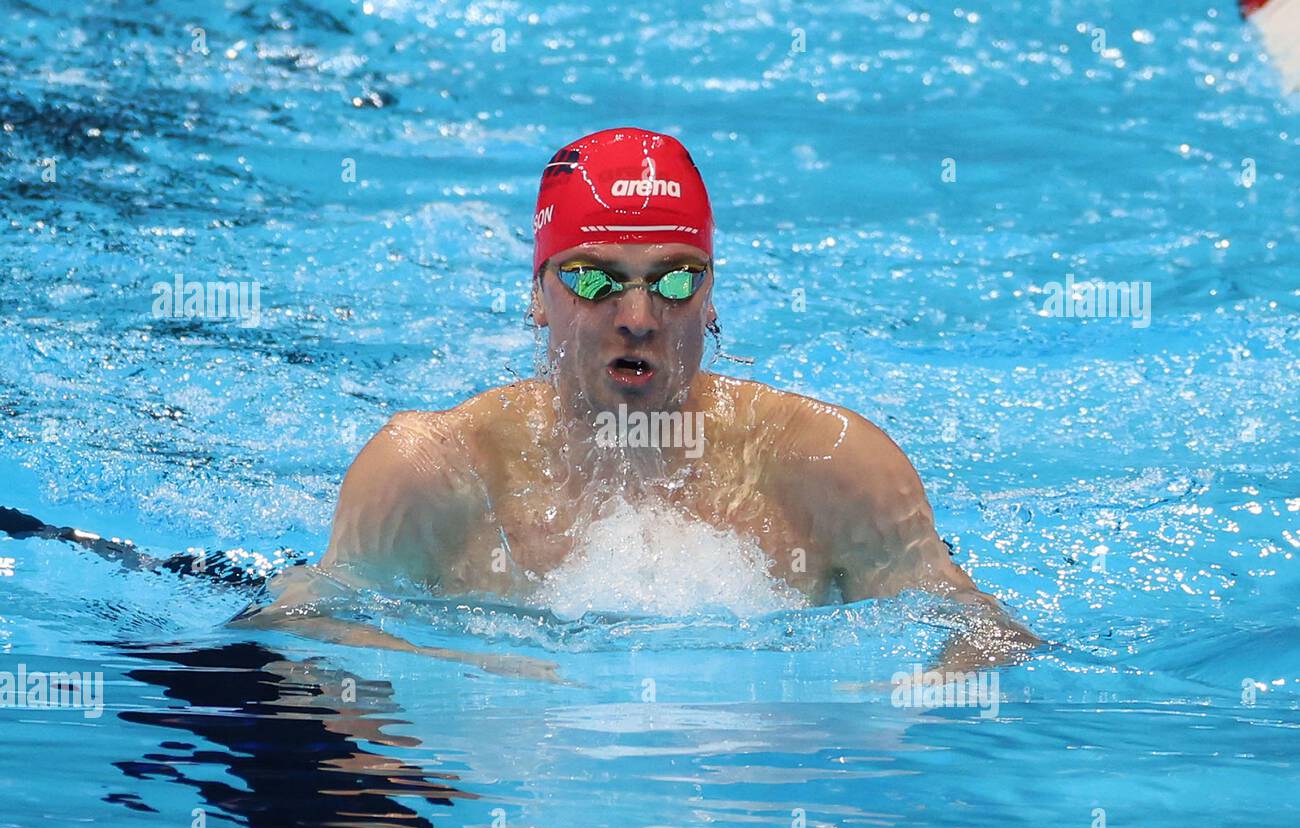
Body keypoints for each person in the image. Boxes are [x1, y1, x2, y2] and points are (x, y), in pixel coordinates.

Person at [233, 127, 1039, 674]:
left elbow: (985, 631)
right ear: (539, 296)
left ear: (713, 295)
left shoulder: (828, 464)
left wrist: (899, 720)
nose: (639, 317)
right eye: (592, 278)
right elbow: (303, 632)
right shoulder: (433, 474)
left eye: (677, 278)